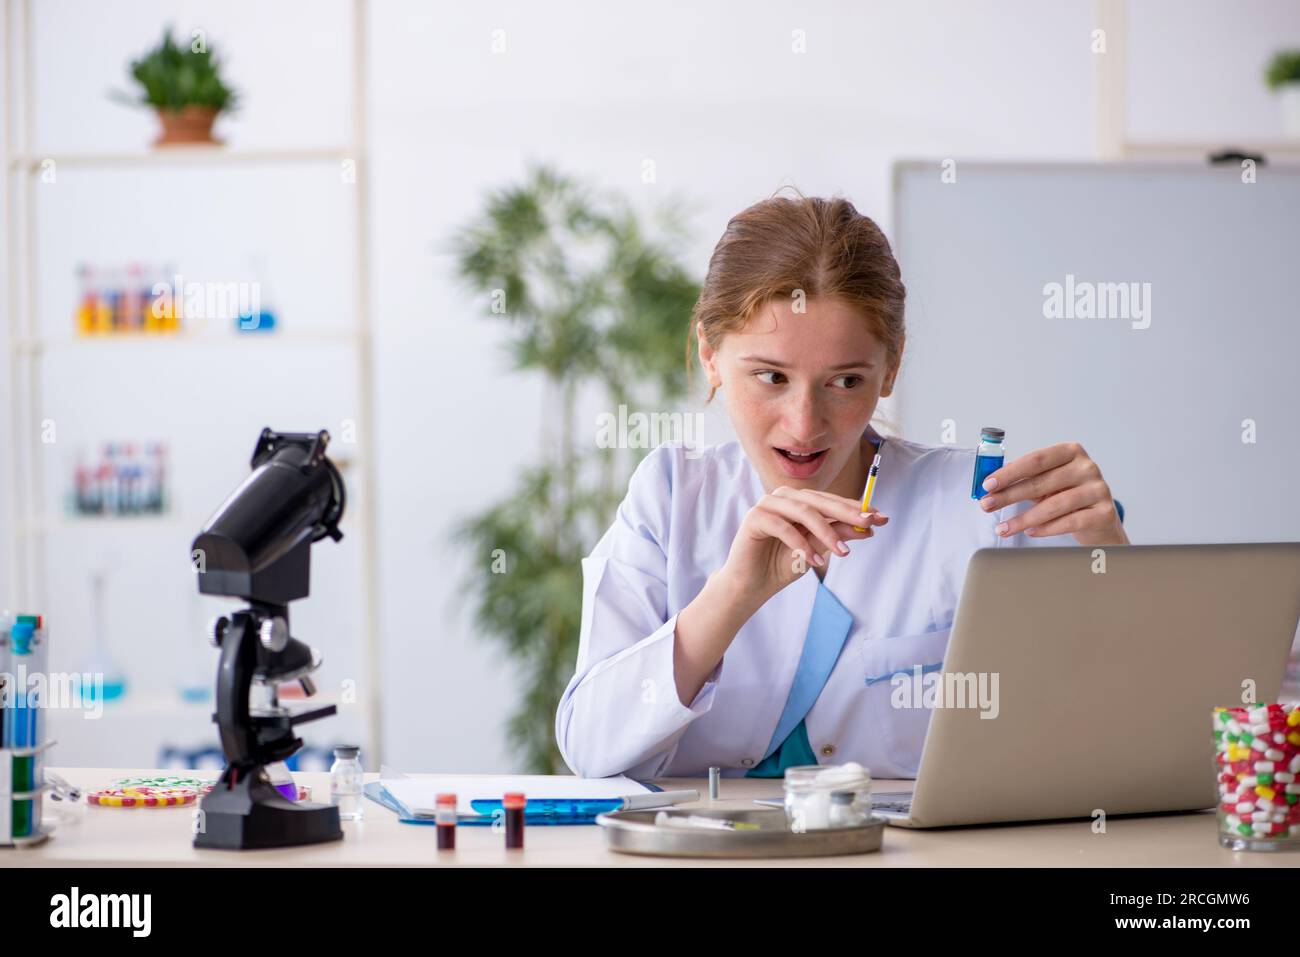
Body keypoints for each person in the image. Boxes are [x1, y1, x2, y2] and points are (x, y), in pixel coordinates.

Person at [555, 193, 1129, 781]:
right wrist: (732, 595)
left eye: (846, 380)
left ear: (892, 367)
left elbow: (1118, 723)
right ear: (710, 355)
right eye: (771, 377)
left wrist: (1109, 555)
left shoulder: (980, 505)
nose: (804, 425)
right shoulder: (673, 494)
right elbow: (592, 747)